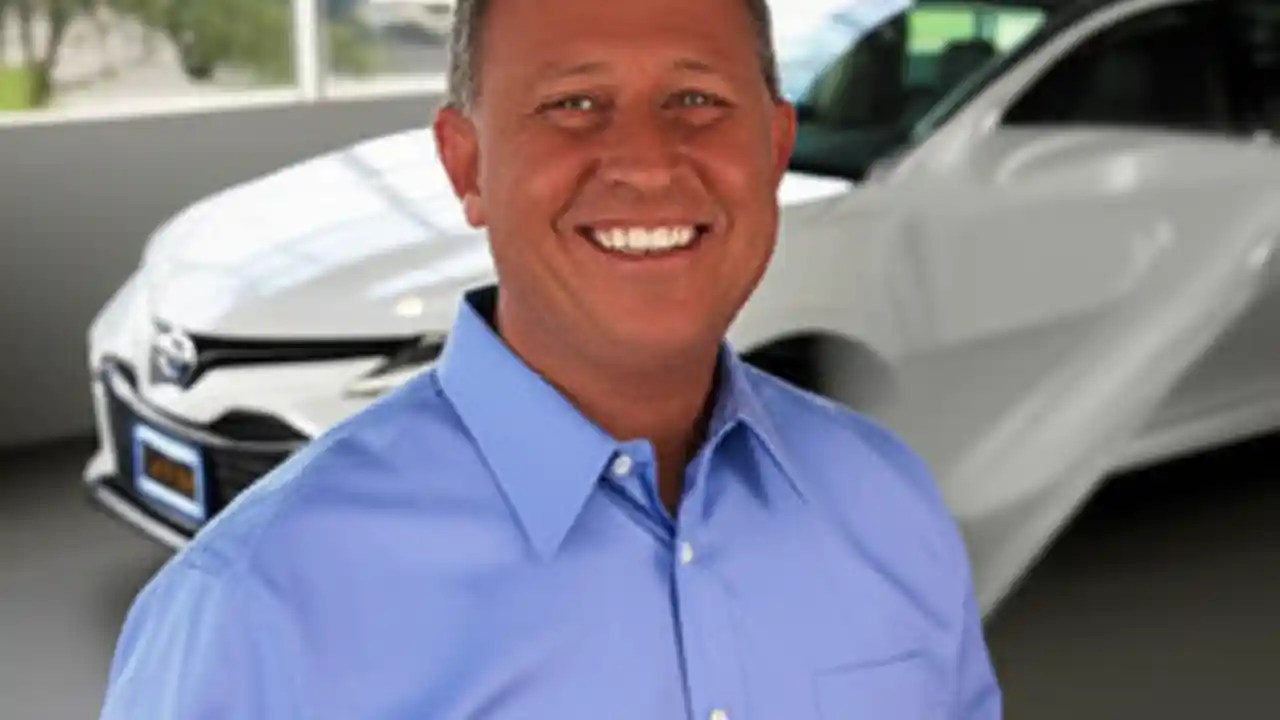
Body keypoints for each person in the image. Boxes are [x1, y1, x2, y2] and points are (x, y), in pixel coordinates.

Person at [100, 0, 1002, 717]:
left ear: (771, 147)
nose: (647, 163)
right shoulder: (258, 605)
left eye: (696, 99)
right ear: (467, 166)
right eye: (573, 103)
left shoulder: (894, 509)